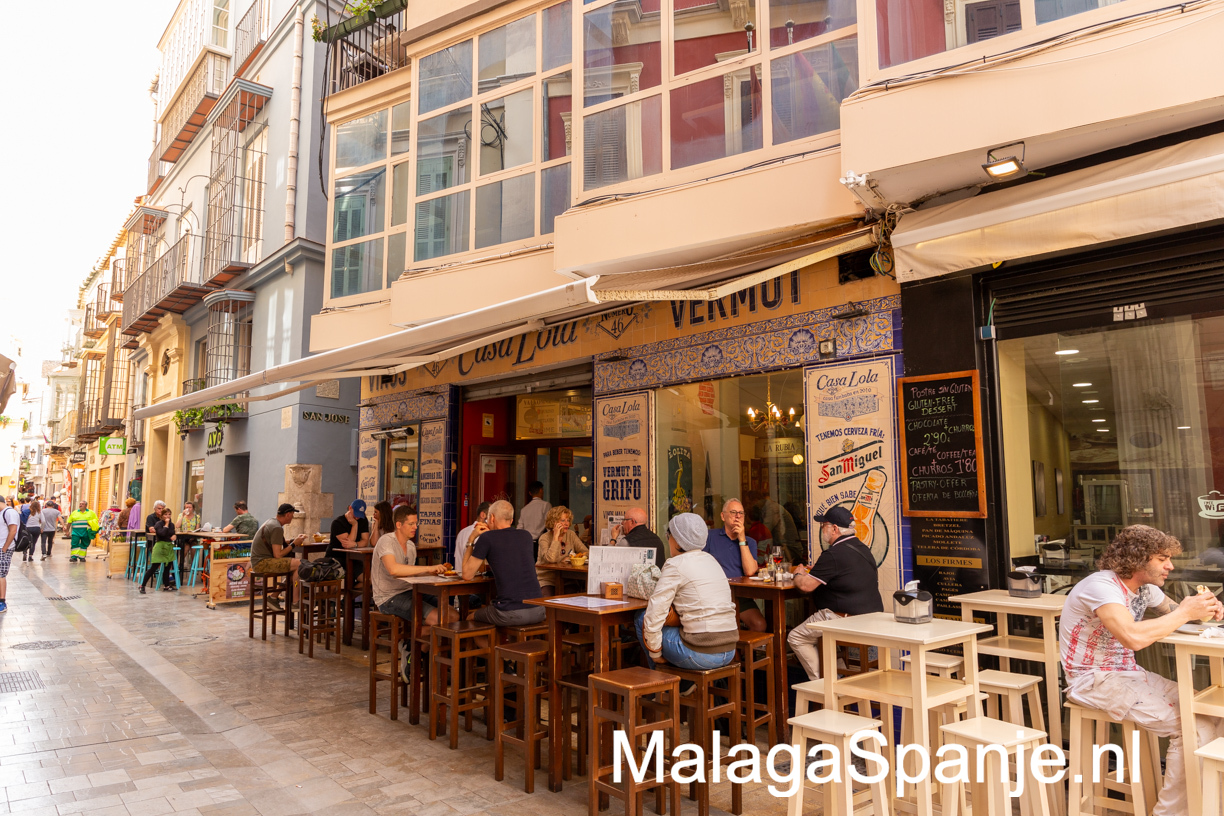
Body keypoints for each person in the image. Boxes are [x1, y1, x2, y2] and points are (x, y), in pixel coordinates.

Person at [1060, 525, 1224, 816]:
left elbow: (1177, 615)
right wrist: (1185, 612)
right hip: (1092, 680)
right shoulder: (1101, 586)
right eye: (1163, 559)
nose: (1170, 566)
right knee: (1193, 727)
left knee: (1213, 712)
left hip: (1129, 674)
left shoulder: (1145, 589)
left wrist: (1206, 611)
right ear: (1138, 559)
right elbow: (1133, 637)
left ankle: (1210, 804)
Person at [786, 505, 885, 679]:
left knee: (796, 637)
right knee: (827, 640)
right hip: (870, 617)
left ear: (834, 528)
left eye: (823, 524)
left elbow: (805, 586)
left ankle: (825, 685)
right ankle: (838, 680)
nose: (822, 528)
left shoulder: (833, 554)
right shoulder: (862, 548)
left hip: (844, 618)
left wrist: (798, 574)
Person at [636, 512, 739, 670]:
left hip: (702, 654)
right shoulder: (711, 559)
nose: (667, 539)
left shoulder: (676, 564)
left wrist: (655, 654)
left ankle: (661, 683)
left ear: (677, 539)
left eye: (668, 535)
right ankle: (685, 684)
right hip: (730, 649)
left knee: (641, 618)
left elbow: (655, 611)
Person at [371, 505, 449, 680]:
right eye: (412, 523)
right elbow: (393, 570)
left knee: (452, 616)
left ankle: (412, 647)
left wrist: (436, 576)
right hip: (388, 596)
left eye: (416, 523)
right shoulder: (386, 541)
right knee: (438, 619)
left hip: (408, 591)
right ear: (399, 525)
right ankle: (414, 652)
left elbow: (411, 573)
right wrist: (429, 569)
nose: (416, 527)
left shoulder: (411, 547)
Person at [464, 500, 545, 626]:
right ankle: (505, 646)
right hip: (539, 609)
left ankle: (493, 646)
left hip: (510, 611)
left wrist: (471, 539)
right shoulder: (526, 536)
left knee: (470, 618)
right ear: (511, 520)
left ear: (491, 518)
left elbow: (467, 575)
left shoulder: (488, 538)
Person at [704, 498, 765, 631]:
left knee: (759, 625)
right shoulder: (709, 537)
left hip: (740, 596)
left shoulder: (750, 542)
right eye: (733, 512)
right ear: (723, 516)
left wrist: (742, 539)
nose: (738, 516)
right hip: (716, 597)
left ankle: (743, 651)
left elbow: (749, 571)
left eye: (741, 513)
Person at [250, 503, 306, 611]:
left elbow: (275, 543)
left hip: (259, 561)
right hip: (262, 563)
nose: (293, 517)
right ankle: (295, 602)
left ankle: (273, 598)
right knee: (299, 564)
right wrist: (294, 544)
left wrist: (293, 541)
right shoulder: (277, 528)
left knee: (294, 572)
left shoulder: (272, 522)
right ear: (288, 514)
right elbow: (278, 555)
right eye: (293, 514)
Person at [536, 506, 588, 595]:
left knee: (573, 597)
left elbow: (586, 552)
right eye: (563, 521)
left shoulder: (571, 534)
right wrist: (556, 537)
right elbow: (551, 559)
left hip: (568, 578)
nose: (566, 524)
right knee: (547, 599)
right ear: (553, 522)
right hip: (548, 579)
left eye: (568, 520)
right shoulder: (544, 538)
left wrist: (573, 558)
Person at [140, 507, 178, 593]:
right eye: (165, 514)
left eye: (169, 514)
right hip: (160, 547)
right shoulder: (158, 524)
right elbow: (162, 533)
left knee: (167, 567)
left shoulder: (172, 524)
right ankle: (142, 585)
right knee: (153, 567)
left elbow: (172, 533)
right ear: (162, 515)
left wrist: (175, 536)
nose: (167, 516)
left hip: (168, 547)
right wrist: (166, 524)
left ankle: (167, 585)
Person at [454, 502, 490, 576]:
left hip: (458, 577)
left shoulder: (462, 532)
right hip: (473, 579)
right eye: (491, 515)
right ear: (483, 515)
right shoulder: (483, 534)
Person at [0, 497, 19, 612]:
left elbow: (13, 530)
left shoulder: (9, 512)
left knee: (1, 574)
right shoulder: (2, 513)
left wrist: (5, 548)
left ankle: (2, 602)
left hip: (3, 548)